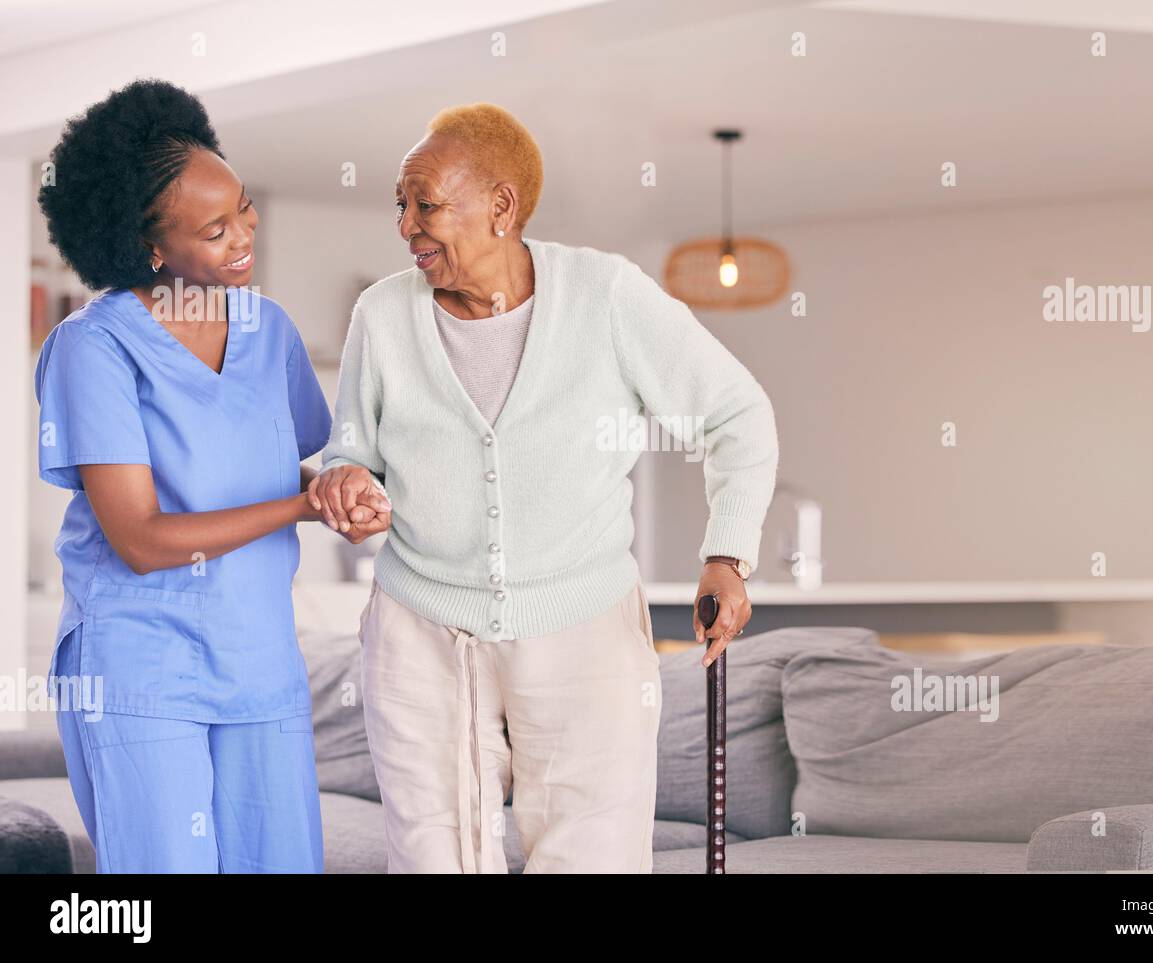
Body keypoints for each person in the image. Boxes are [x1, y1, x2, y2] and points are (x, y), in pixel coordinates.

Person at [310, 102, 779, 873]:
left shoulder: (605, 297)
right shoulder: (383, 315)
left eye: (426, 203)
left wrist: (728, 553)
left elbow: (737, 414)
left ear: (502, 206)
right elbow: (352, 452)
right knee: (435, 858)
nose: (405, 225)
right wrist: (348, 481)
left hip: (582, 625)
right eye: (400, 202)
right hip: (420, 629)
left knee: (592, 853)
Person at [33, 78, 389, 873]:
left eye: (244, 211)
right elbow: (140, 537)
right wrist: (302, 501)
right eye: (215, 229)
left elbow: (275, 468)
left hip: (258, 654)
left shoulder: (270, 332)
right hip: (140, 662)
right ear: (150, 248)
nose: (242, 239)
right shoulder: (94, 349)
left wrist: (333, 489)